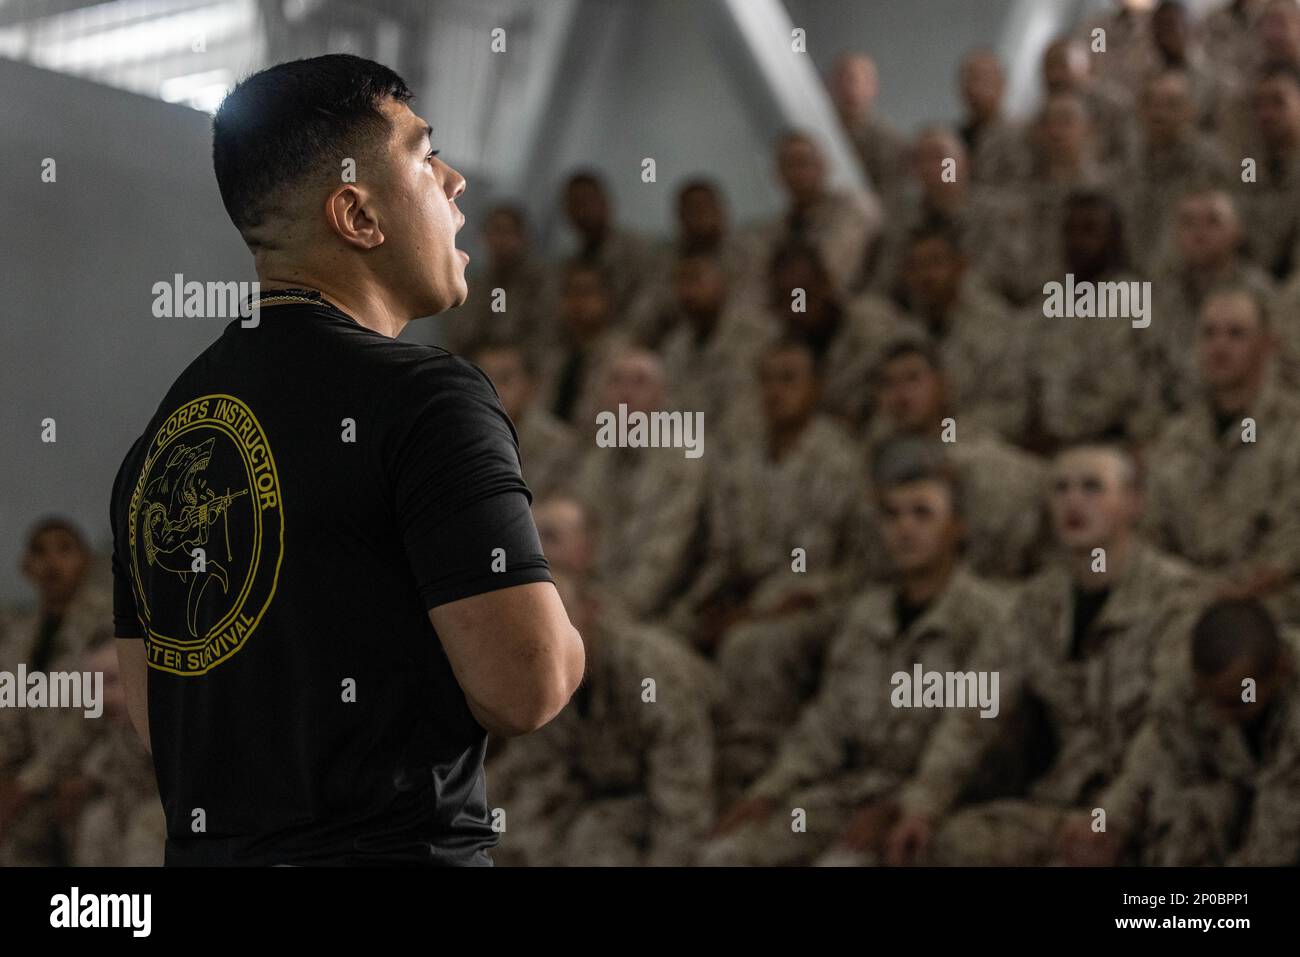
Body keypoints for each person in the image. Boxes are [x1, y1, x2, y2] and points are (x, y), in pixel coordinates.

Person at [109, 54, 584, 866]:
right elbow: (526, 684)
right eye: (425, 154)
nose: (457, 180)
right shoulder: (429, 397)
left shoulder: (158, 445)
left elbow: (164, 717)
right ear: (358, 215)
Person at [885, 440, 1201, 866]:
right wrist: (923, 804)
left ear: (1133, 504)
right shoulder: (1034, 605)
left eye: (1092, 488)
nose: (1073, 501)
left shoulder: (1177, 598)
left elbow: (1167, 725)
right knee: (954, 843)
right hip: (1068, 802)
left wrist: (1114, 815)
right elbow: (973, 709)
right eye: (1060, 488)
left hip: (1154, 804)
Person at [700, 442, 1010, 866]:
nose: (904, 529)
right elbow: (828, 723)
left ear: (956, 527)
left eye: (922, 514)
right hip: (854, 790)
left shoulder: (987, 620)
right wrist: (769, 792)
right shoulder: (869, 614)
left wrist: (906, 806)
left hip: (941, 801)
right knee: (724, 856)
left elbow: (977, 741)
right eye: (892, 514)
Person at [1084, 598, 1300, 866]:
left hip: (1285, 816)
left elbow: (1279, 839)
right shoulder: (1189, 683)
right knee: (1187, 804)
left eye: (1235, 702)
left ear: (1281, 670)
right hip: (1246, 797)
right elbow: (1154, 752)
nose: (1219, 715)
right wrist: (1106, 820)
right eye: (1211, 700)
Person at [0, 517, 113, 866]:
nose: (52, 563)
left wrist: (27, 783)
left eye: (65, 549)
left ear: (86, 561)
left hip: (98, 773)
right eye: (41, 552)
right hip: (37, 780)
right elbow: (10, 718)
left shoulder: (108, 624)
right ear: (26, 567)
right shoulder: (21, 638)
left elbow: (96, 717)